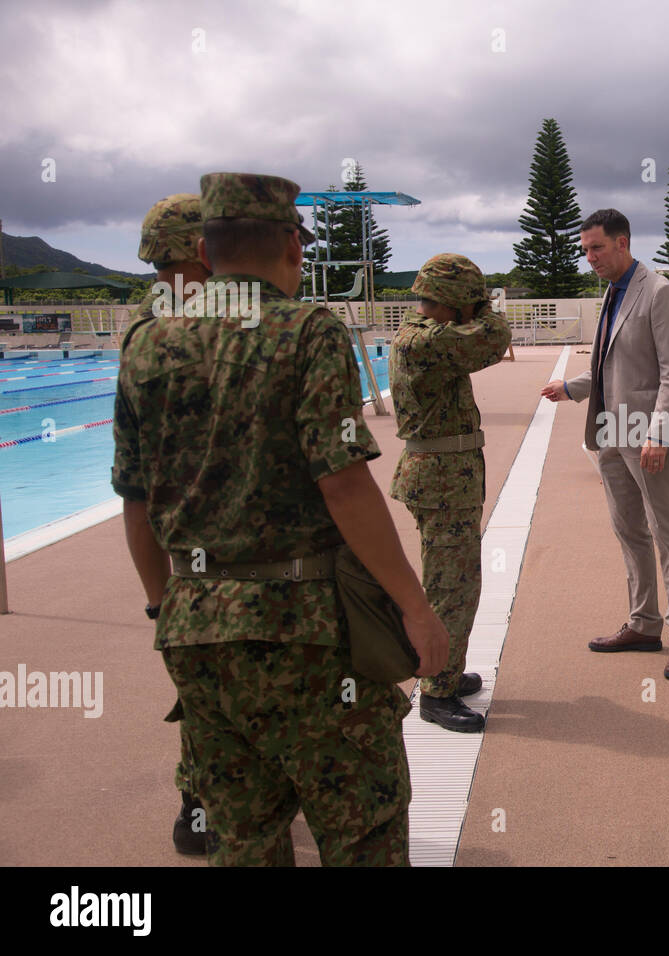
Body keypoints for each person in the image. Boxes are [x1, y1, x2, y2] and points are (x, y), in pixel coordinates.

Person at [112, 172, 448, 866]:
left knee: (244, 838)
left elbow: (136, 502)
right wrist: (415, 607)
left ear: (205, 253)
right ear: (294, 246)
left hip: (197, 632)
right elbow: (345, 486)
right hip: (310, 636)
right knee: (362, 829)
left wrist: (166, 607)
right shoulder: (306, 330)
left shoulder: (145, 345)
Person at [541, 209, 669, 679]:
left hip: (649, 436)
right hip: (610, 434)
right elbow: (614, 365)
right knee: (630, 533)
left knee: (668, 536)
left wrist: (656, 433)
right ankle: (644, 624)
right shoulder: (612, 292)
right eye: (586, 249)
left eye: (597, 248)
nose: (590, 257)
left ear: (623, 242)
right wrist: (572, 388)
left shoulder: (659, 292)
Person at [389, 254, 510, 732]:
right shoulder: (426, 342)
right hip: (441, 480)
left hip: (446, 475)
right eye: (471, 304)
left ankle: (446, 671)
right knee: (451, 588)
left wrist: (470, 308)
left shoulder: (428, 337)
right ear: (453, 305)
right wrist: (481, 309)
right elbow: (496, 337)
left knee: (454, 582)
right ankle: (436, 692)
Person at [132, 193, 210, 855]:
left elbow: (131, 491)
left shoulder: (136, 333)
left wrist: (155, 596)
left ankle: (198, 807)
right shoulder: (238, 327)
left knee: (200, 692)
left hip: (178, 564)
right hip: (247, 557)